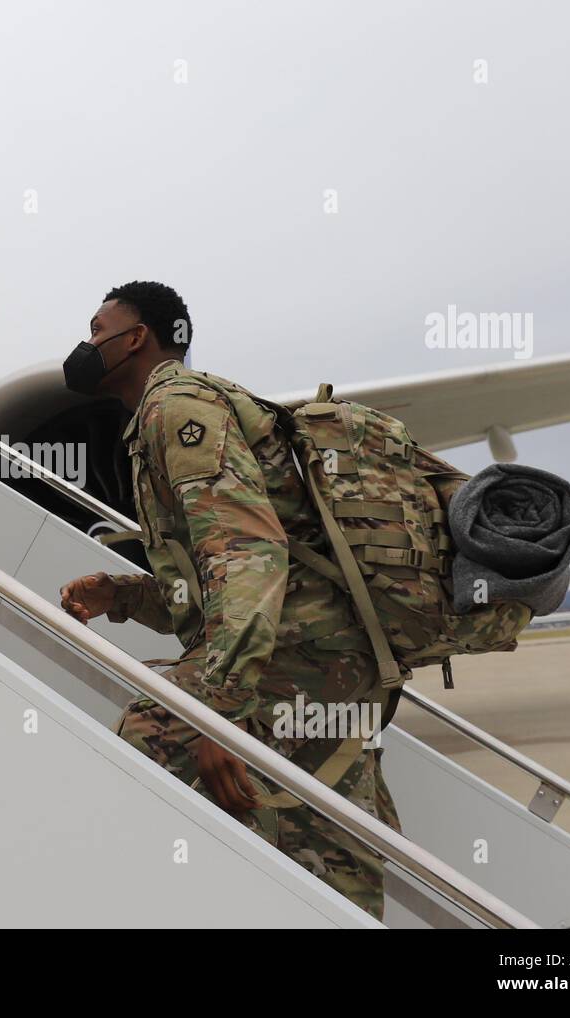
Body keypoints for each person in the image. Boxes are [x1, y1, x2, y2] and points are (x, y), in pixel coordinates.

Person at [58, 280, 401, 919]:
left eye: (96, 330)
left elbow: (251, 555)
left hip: (296, 654)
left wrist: (221, 709)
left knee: (149, 738)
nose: (86, 344)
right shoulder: (163, 417)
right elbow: (217, 582)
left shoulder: (176, 409)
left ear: (135, 340)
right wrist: (125, 596)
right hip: (327, 657)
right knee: (332, 849)